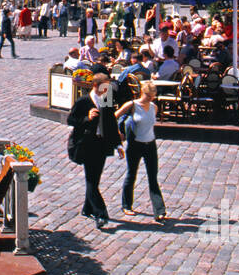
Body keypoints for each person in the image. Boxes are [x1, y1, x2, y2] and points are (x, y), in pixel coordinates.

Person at [67, 71, 124, 230]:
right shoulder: (84, 101)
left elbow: (111, 122)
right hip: (87, 144)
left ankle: (87, 208)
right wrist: (87, 118)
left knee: (95, 179)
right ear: (95, 86)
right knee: (91, 180)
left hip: (102, 144)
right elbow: (71, 120)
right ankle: (101, 214)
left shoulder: (107, 99)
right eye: (105, 87)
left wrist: (118, 145)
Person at [116, 80, 167, 220]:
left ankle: (159, 210)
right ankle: (126, 205)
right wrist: (118, 135)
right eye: (149, 96)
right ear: (142, 93)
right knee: (131, 175)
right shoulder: (132, 105)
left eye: (153, 96)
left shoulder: (154, 107)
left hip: (150, 144)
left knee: (153, 177)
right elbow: (114, 116)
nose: (151, 99)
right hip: (135, 145)